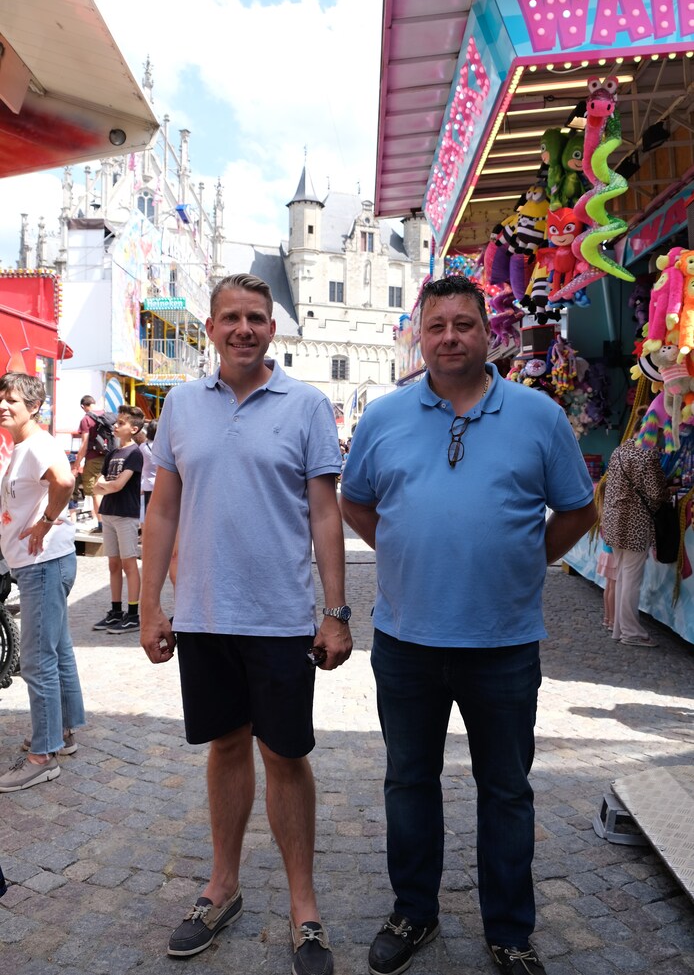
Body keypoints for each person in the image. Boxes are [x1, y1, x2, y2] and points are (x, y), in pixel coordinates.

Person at [339, 276, 596, 975]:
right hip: (405, 642)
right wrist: (403, 547)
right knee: (408, 781)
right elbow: (355, 502)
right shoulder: (383, 416)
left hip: (503, 645)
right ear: (420, 337)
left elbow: (578, 509)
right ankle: (413, 910)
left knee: (507, 790)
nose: (449, 336)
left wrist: (522, 559)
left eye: (463, 323)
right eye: (436, 326)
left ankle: (510, 930)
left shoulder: (538, 415)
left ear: (490, 333)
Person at [140, 273, 352, 975]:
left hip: (282, 619)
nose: (243, 328)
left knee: (286, 756)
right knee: (226, 748)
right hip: (203, 614)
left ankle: (304, 905)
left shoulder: (307, 404)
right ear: (210, 327)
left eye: (256, 317)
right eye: (230, 317)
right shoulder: (181, 405)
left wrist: (335, 610)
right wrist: (148, 604)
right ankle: (222, 886)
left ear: (272, 327)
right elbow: (163, 508)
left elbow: (326, 514)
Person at [0, 372, 86, 792]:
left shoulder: (38, 444)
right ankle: (64, 734)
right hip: (45, 564)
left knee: (36, 660)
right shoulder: (23, 446)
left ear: (33, 406)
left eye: (12, 400)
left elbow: (65, 481)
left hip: (44, 565)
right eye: (2, 398)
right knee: (58, 650)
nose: (4, 406)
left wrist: (46, 523)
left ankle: (42, 755)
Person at [601, 418, 670, 647]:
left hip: (614, 523)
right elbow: (658, 493)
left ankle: (620, 630)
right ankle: (630, 632)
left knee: (622, 577)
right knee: (630, 580)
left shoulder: (620, 450)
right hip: (634, 526)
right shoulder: (647, 455)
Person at [92, 404, 145, 634]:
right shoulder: (113, 453)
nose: (116, 425)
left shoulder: (135, 454)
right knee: (113, 564)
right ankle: (116, 611)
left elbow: (116, 484)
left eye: (121, 423)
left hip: (126, 514)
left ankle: (133, 614)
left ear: (133, 429)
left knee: (129, 564)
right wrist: (106, 487)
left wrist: (106, 486)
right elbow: (97, 486)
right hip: (110, 513)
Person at [73, 395, 107, 532]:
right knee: (106, 490)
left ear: (83, 406)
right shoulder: (106, 416)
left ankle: (101, 525)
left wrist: (77, 463)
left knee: (96, 491)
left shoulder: (86, 419)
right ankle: (109, 523)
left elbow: (85, 444)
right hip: (109, 457)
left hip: (93, 459)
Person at [140, 419, 157, 516]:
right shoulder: (164, 446)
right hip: (163, 485)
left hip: (147, 485)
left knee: (148, 514)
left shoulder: (143, 446)